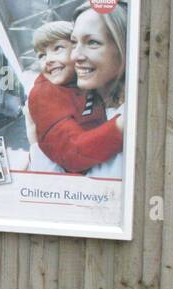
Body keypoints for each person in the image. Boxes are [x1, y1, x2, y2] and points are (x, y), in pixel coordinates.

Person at [23, 18, 124, 174]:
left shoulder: (81, 82)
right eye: (41, 55)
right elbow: (70, 152)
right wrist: (120, 128)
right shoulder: (45, 94)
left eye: (58, 48)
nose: (48, 60)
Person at [71, 1, 128, 179]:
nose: (75, 56)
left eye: (92, 43)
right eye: (74, 43)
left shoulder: (132, 120)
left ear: (124, 48)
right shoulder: (78, 109)